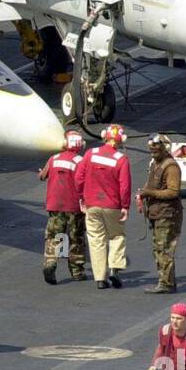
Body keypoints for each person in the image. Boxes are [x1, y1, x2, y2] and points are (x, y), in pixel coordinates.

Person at [75, 123, 132, 290]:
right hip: (113, 205)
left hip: (91, 204)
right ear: (121, 140)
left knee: (96, 240)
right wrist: (125, 206)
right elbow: (125, 186)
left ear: (104, 136)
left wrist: (81, 197)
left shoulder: (90, 154)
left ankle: (100, 278)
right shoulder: (121, 159)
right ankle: (115, 269)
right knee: (116, 236)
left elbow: (79, 178)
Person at [38, 130, 87, 284]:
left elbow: (42, 176)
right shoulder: (81, 161)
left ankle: (50, 263)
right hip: (74, 207)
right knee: (76, 238)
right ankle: (77, 271)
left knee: (53, 237)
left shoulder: (54, 158)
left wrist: (42, 172)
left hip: (55, 205)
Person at [139, 134, 182, 294]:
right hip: (159, 213)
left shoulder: (171, 167)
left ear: (165, 148)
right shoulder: (156, 163)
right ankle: (165, 281)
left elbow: (173, 191)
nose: (153, 152)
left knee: (164, 249)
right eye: (151, 150)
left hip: (167, 214)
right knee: (159, 248)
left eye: (156, 149)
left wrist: (151, 193)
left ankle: (167, 283)